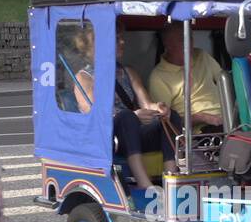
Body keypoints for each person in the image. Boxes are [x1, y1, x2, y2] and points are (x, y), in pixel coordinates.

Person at [71, 24, 180, 190]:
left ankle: (172, 178)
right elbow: (93, 114)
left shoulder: (128, 72)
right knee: (126, 116)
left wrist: (158, 108)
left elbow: (146, 103)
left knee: (172, 115)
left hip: (134, 134)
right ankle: (144, 183)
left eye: (121, 38)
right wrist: (135, 116)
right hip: (109, 139)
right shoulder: (83, 77)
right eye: (116, 39)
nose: (122, 42)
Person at [148, 22, 223, 131]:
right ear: (167, 44)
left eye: (190, 38)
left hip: (228, 118)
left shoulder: (202, 56)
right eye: (183, 39)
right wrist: (202, 118)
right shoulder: (158, 77)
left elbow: (226, 83)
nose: (189, 44)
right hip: (200, 132)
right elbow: (166, 121)